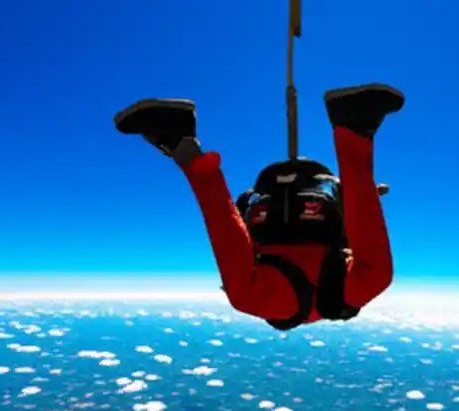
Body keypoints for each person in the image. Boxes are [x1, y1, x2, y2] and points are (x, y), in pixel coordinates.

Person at [114, 84, 404, 330]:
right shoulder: (272, 299)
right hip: (295, 277)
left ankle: (354, 129)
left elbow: (358, 236)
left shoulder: (336, 295)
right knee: (242, 296)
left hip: (298, 275)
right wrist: (360, 196)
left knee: (376, 277)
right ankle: (181, 145)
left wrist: (363, 195)